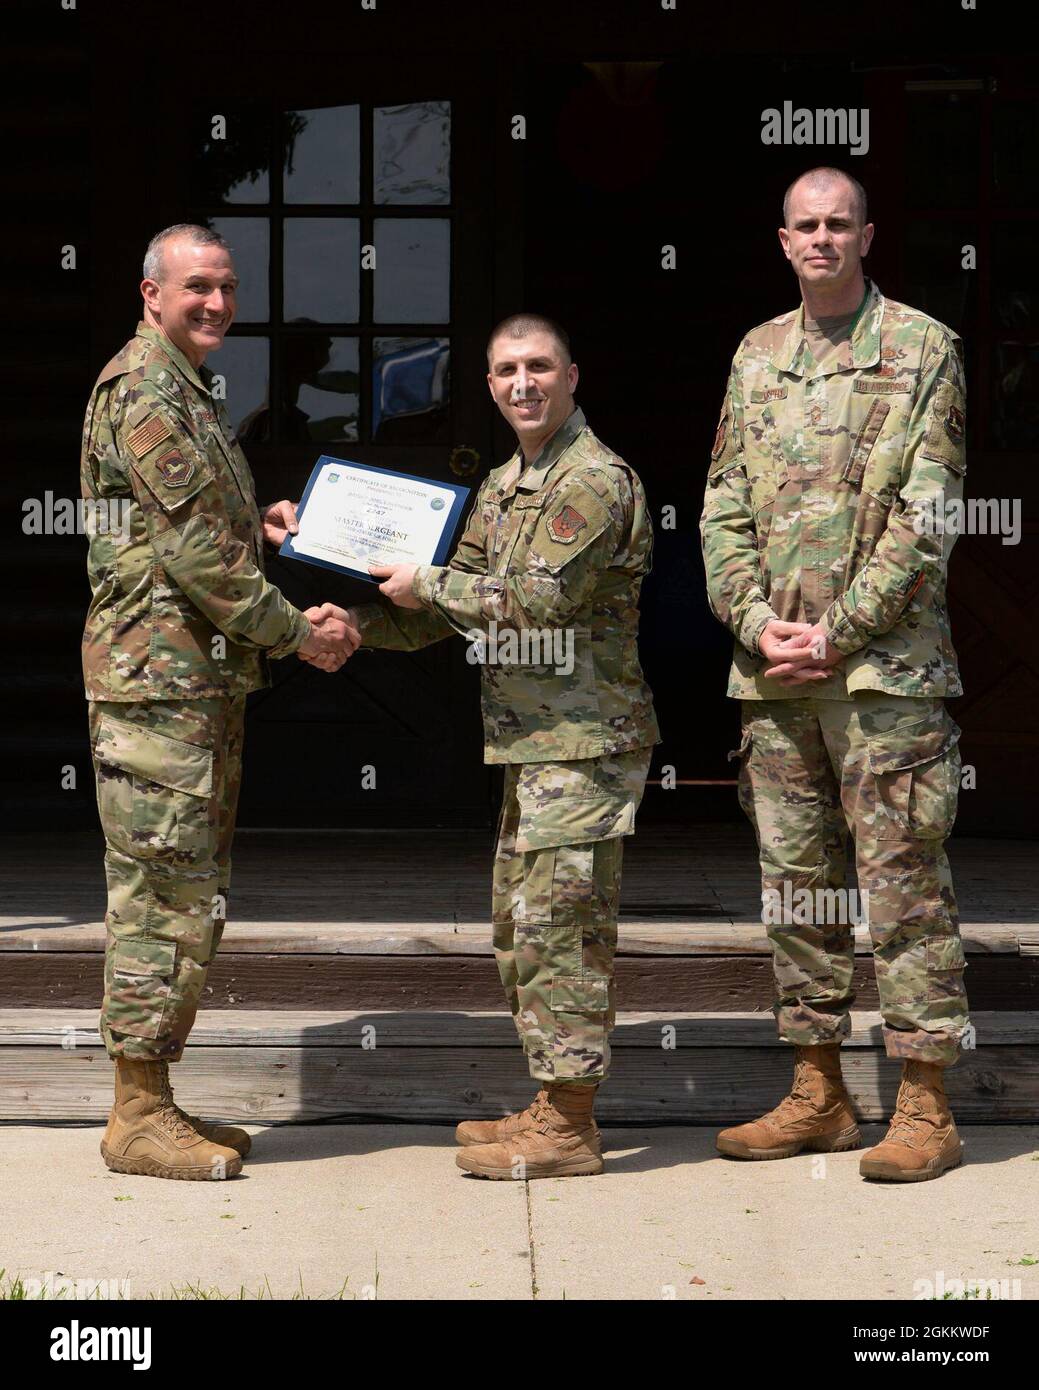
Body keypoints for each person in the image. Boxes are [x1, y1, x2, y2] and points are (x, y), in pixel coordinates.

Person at [306, 315, 659, 1179]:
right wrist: (351, 606)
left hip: (582, 742)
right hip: (531, 743)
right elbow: (444, 602)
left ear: (572, 376)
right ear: (490, 384)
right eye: (505, 371)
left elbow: (536, 600)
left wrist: (423, 581)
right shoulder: (508, 484)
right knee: (523, 930)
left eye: (538, 366)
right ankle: (550, 1096)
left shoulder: (591, 482)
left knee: (563, 932)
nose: (522, 383)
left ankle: (570, 1125)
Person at [700, 168, 969, 1181]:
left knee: (902, 892)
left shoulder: (921, 349)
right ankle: (818, 1091)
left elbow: (929, 516)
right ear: (782, 240)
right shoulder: (755, 354)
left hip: (883, 679)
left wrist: (838, 631)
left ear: (866, 235)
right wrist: (757, 619)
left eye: (837, 224)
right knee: (797, 891)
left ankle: (926, 1105)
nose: (821, 239)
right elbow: (722, 501)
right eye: (804, 226)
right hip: (773, 681)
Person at [80, 223, 357, 1181]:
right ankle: (136, 1115)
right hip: (157, 689)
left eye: (227, 287)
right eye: (196, 286)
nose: (215, 303)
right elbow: (195, 560)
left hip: (189, 685)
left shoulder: (186, 388)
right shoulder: (146, 392)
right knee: (159, 894)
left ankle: (151, 1096)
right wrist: (299, 633)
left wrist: (265, 521)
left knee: (186, 894)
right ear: (150, 293)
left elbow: (203, 527)